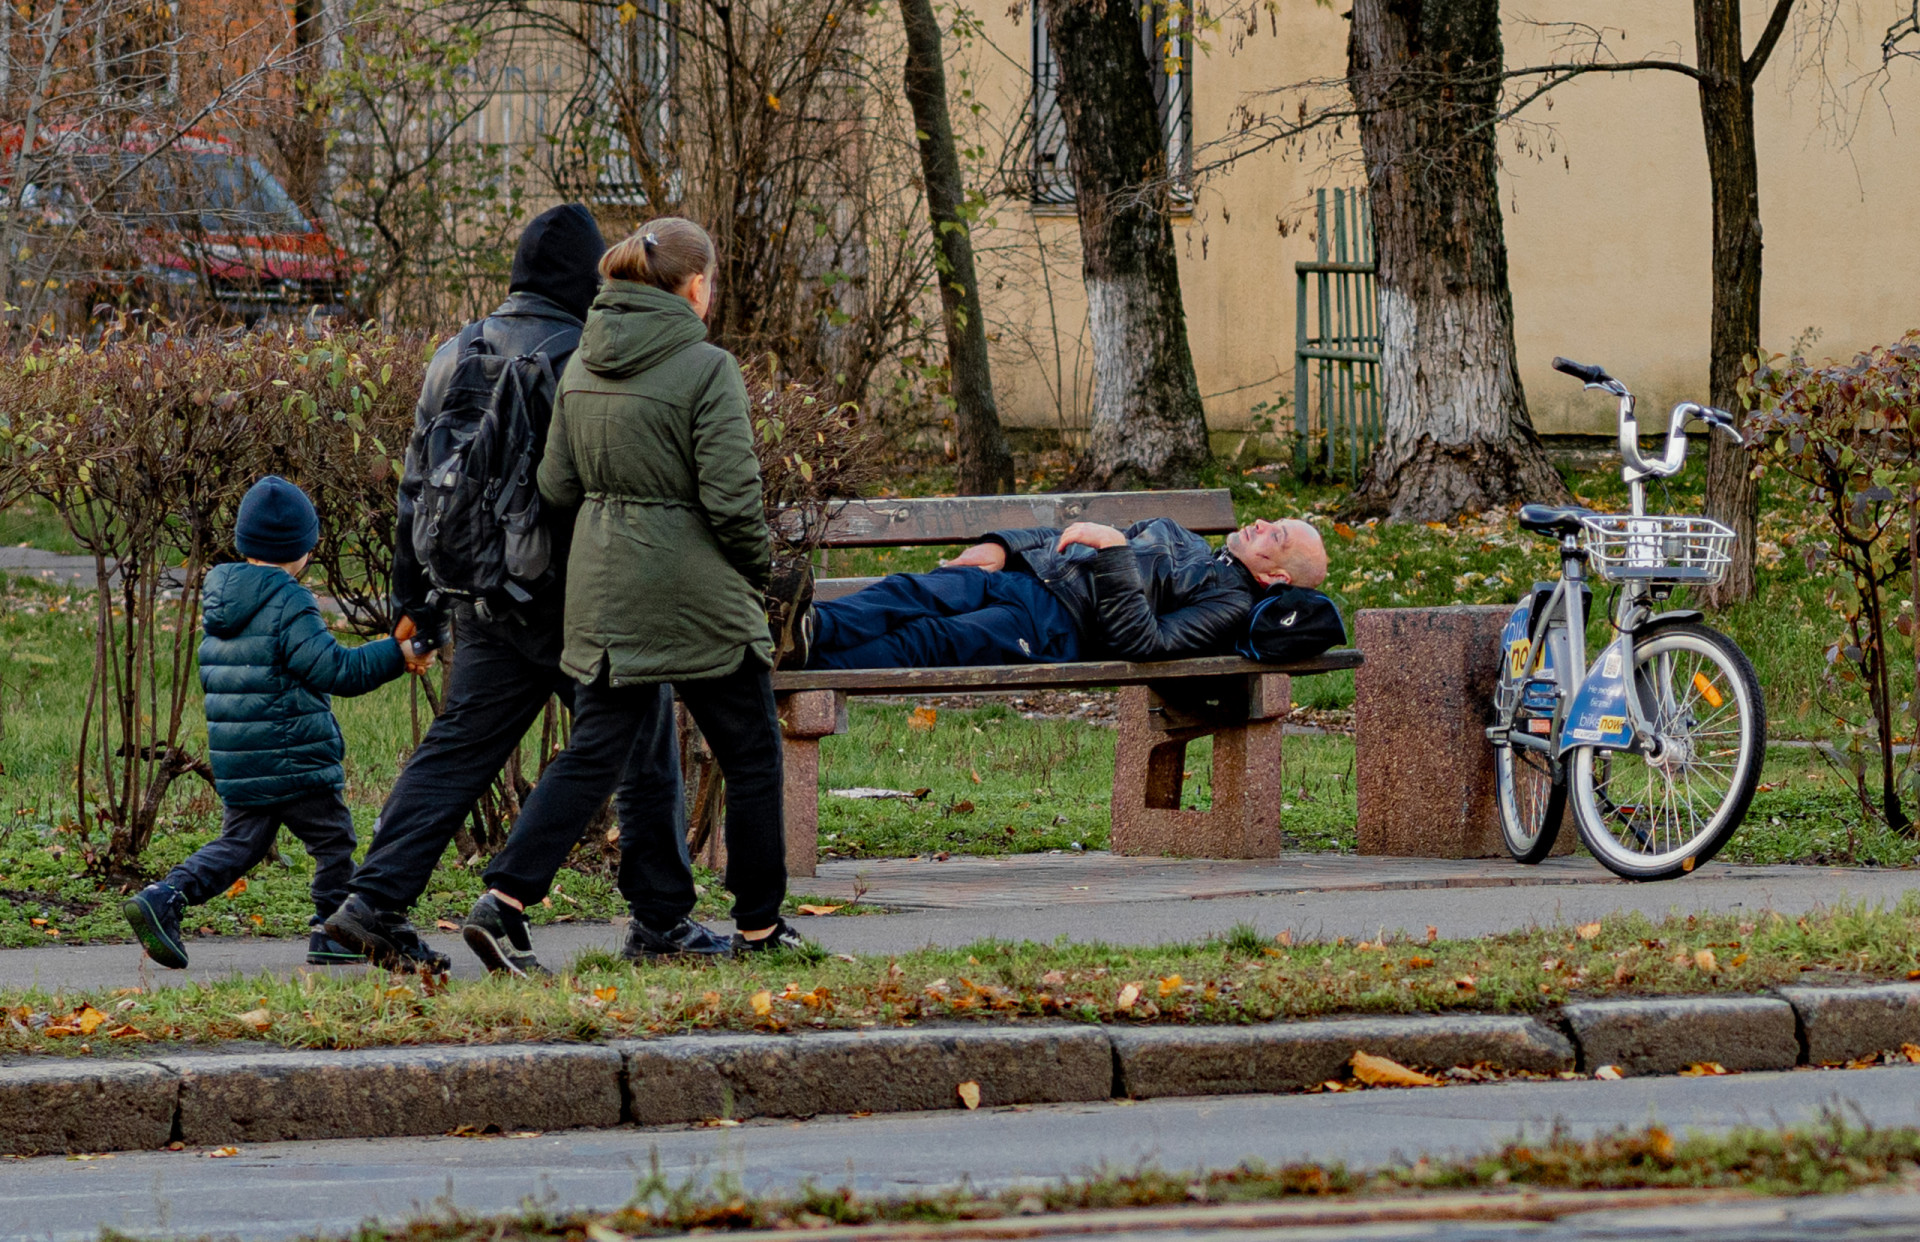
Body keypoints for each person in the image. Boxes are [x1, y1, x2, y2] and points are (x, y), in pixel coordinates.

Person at [324, 204, 688, 975]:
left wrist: (413, 600)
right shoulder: (582, 355)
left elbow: (417, 488)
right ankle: (660, 922)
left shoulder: (457, 351)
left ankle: (372, 904)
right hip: (568, 593)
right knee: (643, 736)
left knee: (458, 748)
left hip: (477, 591)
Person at [459, 215, 813, 974]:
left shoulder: (585, 359)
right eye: (710, 281)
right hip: (693, 594)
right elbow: (731, 499)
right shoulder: (705, 367)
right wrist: (757, 571)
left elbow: (556, 486)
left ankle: (505, 900)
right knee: (750, 750)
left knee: (593, 752)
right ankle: (758, 928)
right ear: (694, 286)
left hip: (603, 590)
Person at [122, 477, 431, 970]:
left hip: (242, 758)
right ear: (302, 549)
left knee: (241, 844)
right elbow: (337, 670)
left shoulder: (223, 600)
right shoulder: (289, 601)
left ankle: (164, 897)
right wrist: (397, 654)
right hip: (294, 757)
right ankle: (335, 926)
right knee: (334, 842)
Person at [793, 516, 1331, 669]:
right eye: (1268, 521)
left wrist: (1117, 552)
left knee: (935, 638)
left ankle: (797, 662)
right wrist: (1002, 546)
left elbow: (1143, 644)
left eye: (1275, 535)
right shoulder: (1182, 537)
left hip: (1055, 630)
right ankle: (806, 629)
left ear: (1275, 577)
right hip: (1028, 580)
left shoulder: (1231, 605)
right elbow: (1070, 538)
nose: (1261, 524)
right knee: (914, 590)